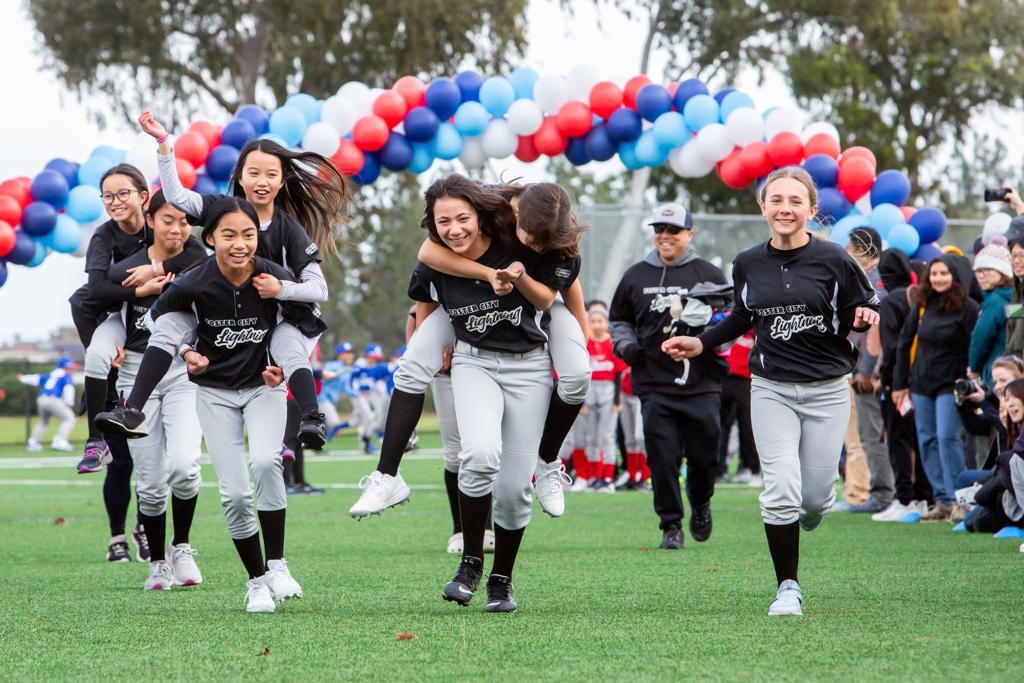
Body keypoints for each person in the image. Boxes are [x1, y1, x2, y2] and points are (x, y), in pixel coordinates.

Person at [662, 167, 880, 616]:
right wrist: (700, 343)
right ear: (763, 208)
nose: (785, 208)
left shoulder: (837, 259)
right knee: (780, 488)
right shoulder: (746, 262)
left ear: (811, 210)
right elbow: (742, 316)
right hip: (771, 389)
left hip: (827, 391)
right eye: (775, 200)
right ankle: (787, 588)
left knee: (814, 498)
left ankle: (814, 505)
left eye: (795, 201)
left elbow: (867, 305)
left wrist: (862, 317)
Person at [97, 113, 349, 450]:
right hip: (218, 307)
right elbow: (177, 197)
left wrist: (281, 289)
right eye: (254, 172)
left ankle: (311, 419)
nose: (262, 180)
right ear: (239, 177)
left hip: (269, 315)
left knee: (289, 347)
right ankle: (132, 411)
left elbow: (319, 290)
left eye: (271, 174)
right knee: (168, 322)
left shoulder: (289, 229)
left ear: (282, 181)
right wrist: (163, 144)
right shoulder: (222, 207)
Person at [348, 181, 588, 521]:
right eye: (530, 233)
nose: (533, 244)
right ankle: (387, 475)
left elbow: (556, 294)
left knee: (579, 372)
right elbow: (428, 258)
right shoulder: (491, 210)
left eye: (541, 240)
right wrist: (489, 274)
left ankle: (548, 462)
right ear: (514, 215)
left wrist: (583, 342)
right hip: (468, 312)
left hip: (541, 308)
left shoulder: (556, 235)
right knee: (412, 364)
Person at [145, 197, 326, 612]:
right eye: (228, 235)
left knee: (266, 461)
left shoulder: (272, 276)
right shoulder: (196, 279)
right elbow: (157, 321)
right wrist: (187, 351)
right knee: (236, 495)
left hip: (264, 387)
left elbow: (307, 321)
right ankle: (257, 581)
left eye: (248, 234)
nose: (240, 242)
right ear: (209, 239)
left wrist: (279, 362)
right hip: (214, 394)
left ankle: (278, 564)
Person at [402, 175, 554, 613]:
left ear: (481, 215)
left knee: (512, 491)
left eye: (462, 218)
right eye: (443, 220)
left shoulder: (517, 238)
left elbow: (556, 284)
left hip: (530, 368)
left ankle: (502, 581)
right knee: (478, 455)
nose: (454, 229)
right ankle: (469, 563)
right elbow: (425, 282)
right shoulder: (436, 252)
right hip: (475, 361)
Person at [609, 202, 730, 550]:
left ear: (689, 234)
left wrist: (712, 335)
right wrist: (625, 346)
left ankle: (702, 501)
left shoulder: (709, 274)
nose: (664, 236)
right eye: (659, 229)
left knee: (705, 457)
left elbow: (731, 320)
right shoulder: (635, 276)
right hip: (654, 384)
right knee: (661, 458)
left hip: (702, 384)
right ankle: (671, 525)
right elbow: (619, 320)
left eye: (673, 230)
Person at [69, 164, 205, 472]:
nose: (115, 201)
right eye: (107, 196)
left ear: (143, 197)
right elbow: (97, 289)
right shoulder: (104, 236)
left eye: (122, 194)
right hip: (114, 312)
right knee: (97, 355)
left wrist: (155, 268)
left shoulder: (162, 222)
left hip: (158, 324)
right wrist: (138, 289)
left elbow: (197, 255)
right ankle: (95, 442)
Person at [106, 190, 206, 590]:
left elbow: (205, 259)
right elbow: (105, 285)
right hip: (135, 374)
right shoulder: (129, 265)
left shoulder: (199, 260)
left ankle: (182, 548)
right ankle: (159, 563)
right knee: (149, 482)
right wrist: (145, 277)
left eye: (184, 221)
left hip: (183, 375)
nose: (178, 228)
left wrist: (162, 268)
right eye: (168, 219)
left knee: (184, 466)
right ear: (150, 220)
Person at [892, 256, 980, 520]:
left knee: (946, 436)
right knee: (927, 439)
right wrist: (899, 383)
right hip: (921, 383)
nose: (938, 278)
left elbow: (974, 348)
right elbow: (904, 343)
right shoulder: (922, 304)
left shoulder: (968, 308)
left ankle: (959, 498)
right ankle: (942, 499)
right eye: (934, 273)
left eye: (944, 273)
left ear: (954, 276)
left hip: (950, 385)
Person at [873, 249, 934, 522]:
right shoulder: (918, 295)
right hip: (922, 378)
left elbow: (891, 347)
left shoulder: (890, 302)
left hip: (898, 383)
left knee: (898, 439)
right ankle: (923, 497)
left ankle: (904, 498)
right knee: (921, 440)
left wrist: (888, 381)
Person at [842, 227, 894, 513]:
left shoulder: (874, 284)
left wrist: (868, 370)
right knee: (860, 435)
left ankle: (868, 493)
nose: (848, 253)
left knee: (866, 434)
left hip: (865, 370)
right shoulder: (864, 280)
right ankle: (861, 491)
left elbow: (875, 331)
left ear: (865, 250)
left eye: (852, 248)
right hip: (860, 367)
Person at [581, 301, 627, 492]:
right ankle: (593, 477)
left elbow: (618, 373)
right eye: (593, 321)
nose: (597, 324)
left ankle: (607, 478)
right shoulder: (586, 343)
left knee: (606, 436)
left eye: (600, 320)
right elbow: (581, 371)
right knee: (590, 437)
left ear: (606, 322)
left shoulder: (611, 343)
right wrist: (581, 401)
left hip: (608, 391)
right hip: (589, 391)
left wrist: (617, 400)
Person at [718, 329, 760, 486]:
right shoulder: (725, 319)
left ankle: (751, 469)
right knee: (721, 425)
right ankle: (718, 468)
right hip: (726, 376)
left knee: (747, 426)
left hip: (746, 379)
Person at [969, 244, 1013, 387]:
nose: (981, 275)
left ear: (1003, 272)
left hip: (996, 374)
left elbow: (981, 338)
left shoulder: (995, 302)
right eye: (978, 271)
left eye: (987, 270)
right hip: (1014, 370)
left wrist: (974, 368)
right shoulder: (1013, 299)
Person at [22, 357, 78, 453]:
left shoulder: (49, 375)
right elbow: (69, 389)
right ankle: (60, 441)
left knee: (43, 422)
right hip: (53, 399)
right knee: (69, 418)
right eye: (70, 367)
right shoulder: (66, 376)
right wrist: (70, 403)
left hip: (41, 399)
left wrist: (22, 378)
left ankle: (34, 442)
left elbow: (34, 379)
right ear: (65, 367)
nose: (72, 370)